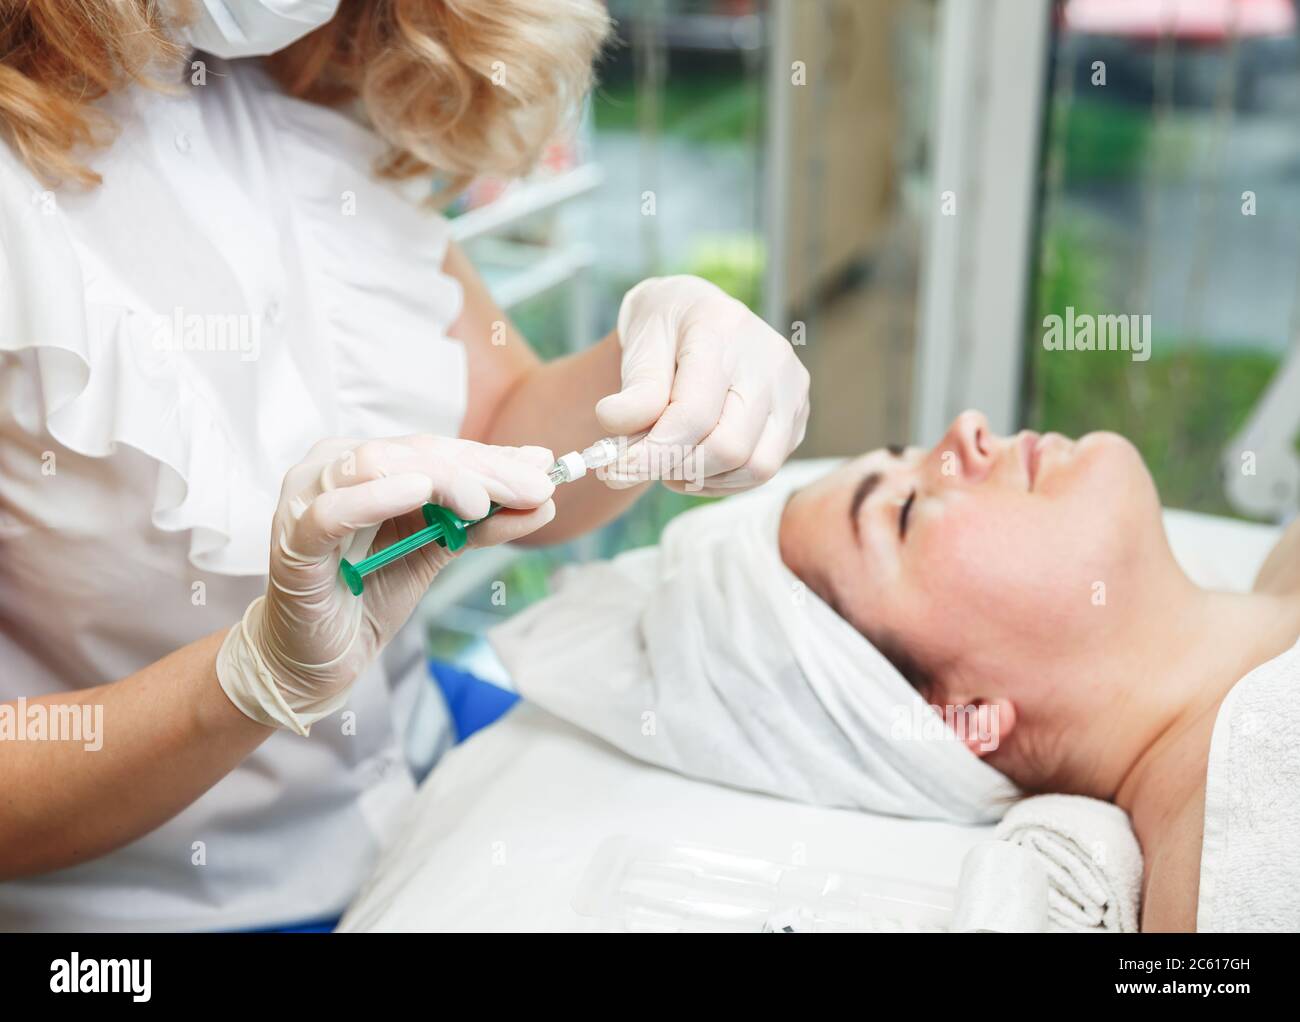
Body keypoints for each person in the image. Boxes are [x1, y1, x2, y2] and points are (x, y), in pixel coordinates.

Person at [0, 0, 810, 930]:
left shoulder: (300, 85)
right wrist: (247, 680)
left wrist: (664, 356)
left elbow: (505, 432)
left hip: (436, 776)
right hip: (176, 911)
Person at [779, 410, 1300, 930]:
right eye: (905, 512)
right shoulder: (1233, 862)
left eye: (910, 455)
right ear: (967, 717)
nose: (966, 427)